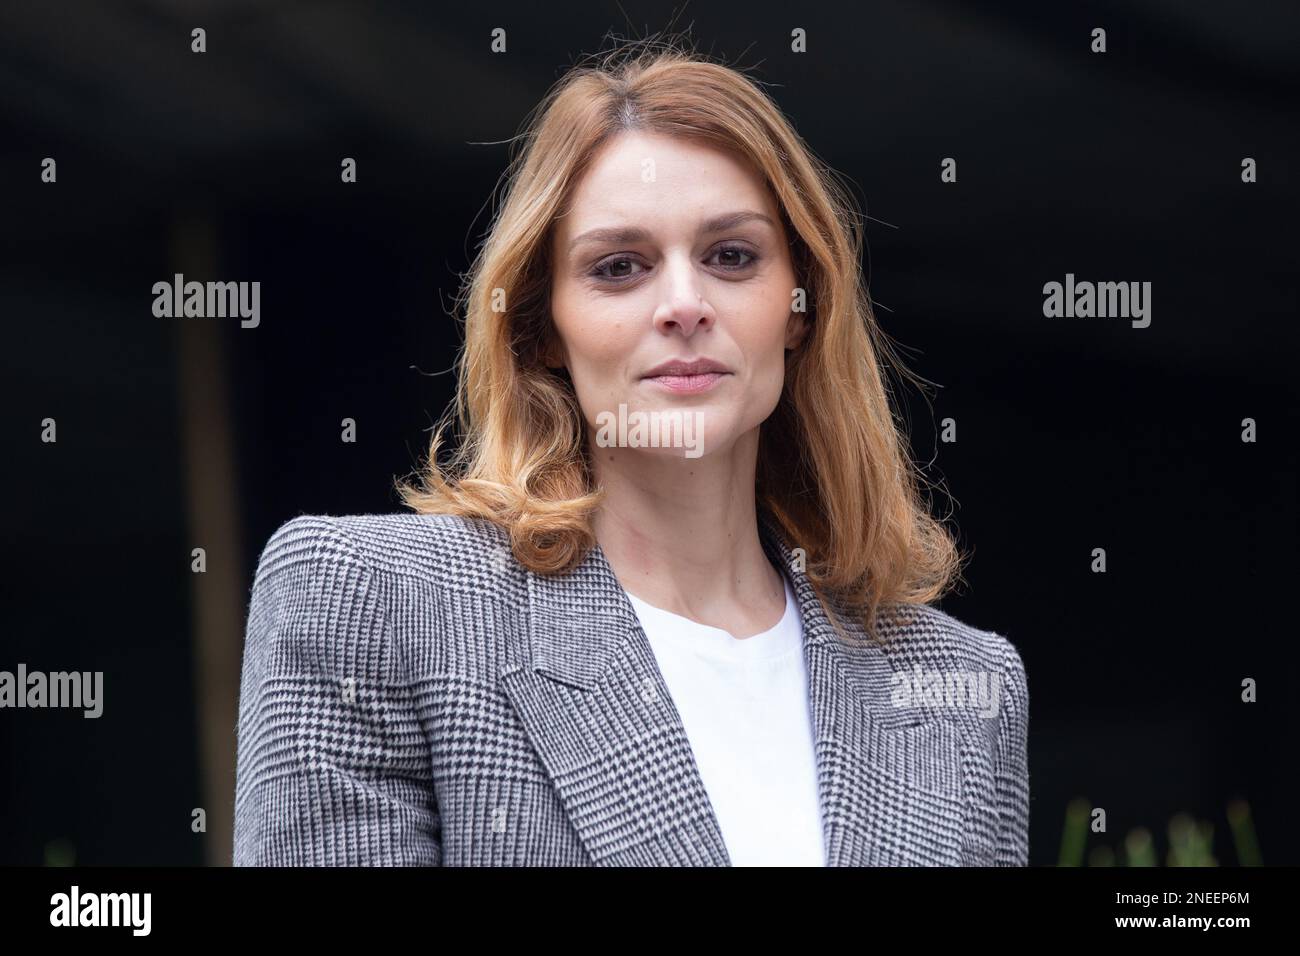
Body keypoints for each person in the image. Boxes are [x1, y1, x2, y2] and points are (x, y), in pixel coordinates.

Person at [233, 37, 1029, 867]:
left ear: (800, 306)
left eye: (731, 256)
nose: (684, 304)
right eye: (619, 267)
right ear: (541, 328)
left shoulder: (964, 684)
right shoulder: (375, 602)